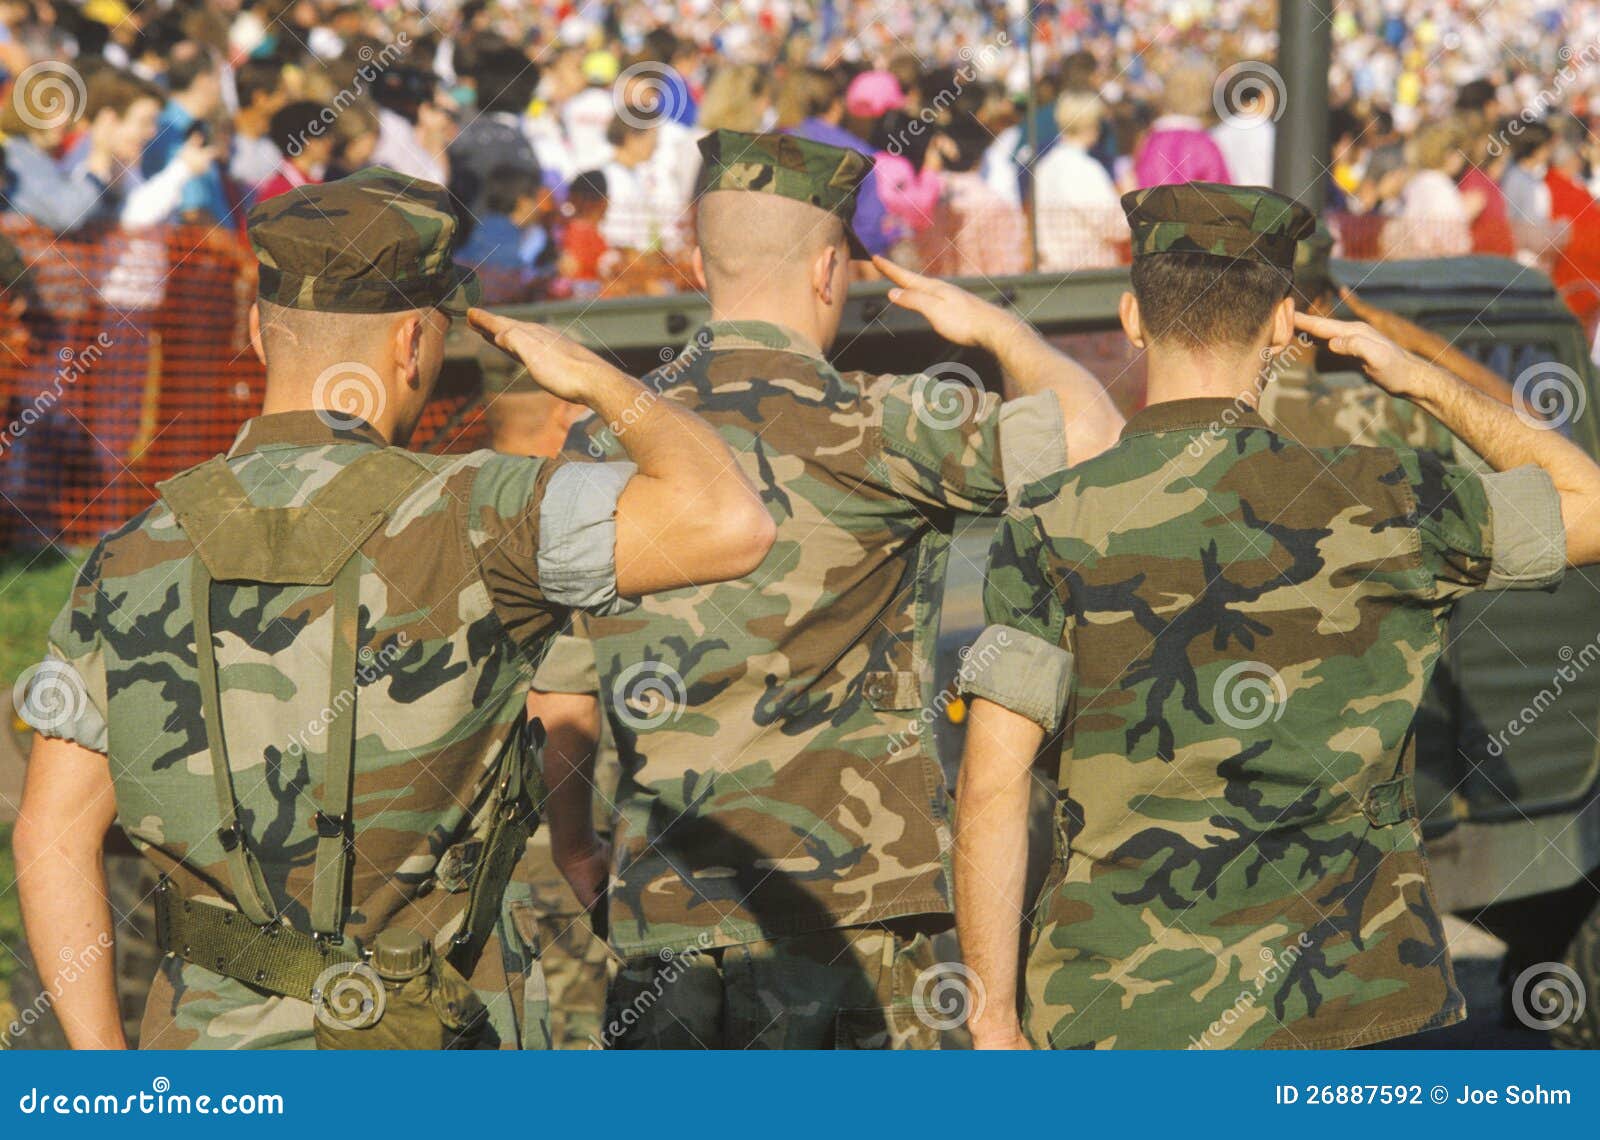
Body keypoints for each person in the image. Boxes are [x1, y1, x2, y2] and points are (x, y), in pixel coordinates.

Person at [11, 165, 774, 1051]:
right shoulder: (485, 513)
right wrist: (600, 381)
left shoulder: (128, 553)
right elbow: (732, 524)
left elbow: (51, 836)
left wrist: (105, 1073)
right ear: (413, 343)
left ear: (258, 332)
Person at [953, 181, 1600, 1050]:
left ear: (1133, 319)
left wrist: (992, 1018)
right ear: (1286, 324)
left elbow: (991, 784)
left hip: (1118, 1010)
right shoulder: (1384, 499)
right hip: (1351, 1006)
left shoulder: (1049, 519)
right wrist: (1420, 377)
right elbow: (1589, 503)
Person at [527, 130, 1123, 1050]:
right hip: (849, 923)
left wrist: (577, 846)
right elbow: (1094, 437)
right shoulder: (877, 421)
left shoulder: (607, 440)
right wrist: (1002, 330)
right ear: (829, 268)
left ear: (698, 264)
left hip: (663, 919)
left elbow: (560, 688)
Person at [1034, 91, 1128, 271]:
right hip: (1088, 273)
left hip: (1051, 270)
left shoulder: (1045, 166)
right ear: (1093, 124)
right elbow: (1115, 227)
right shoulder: (1086, 168)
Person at [252, 99, 334, 202]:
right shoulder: (279, 192)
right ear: (304, 140)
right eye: (322, 136)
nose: (330, 142)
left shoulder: (315, 182)